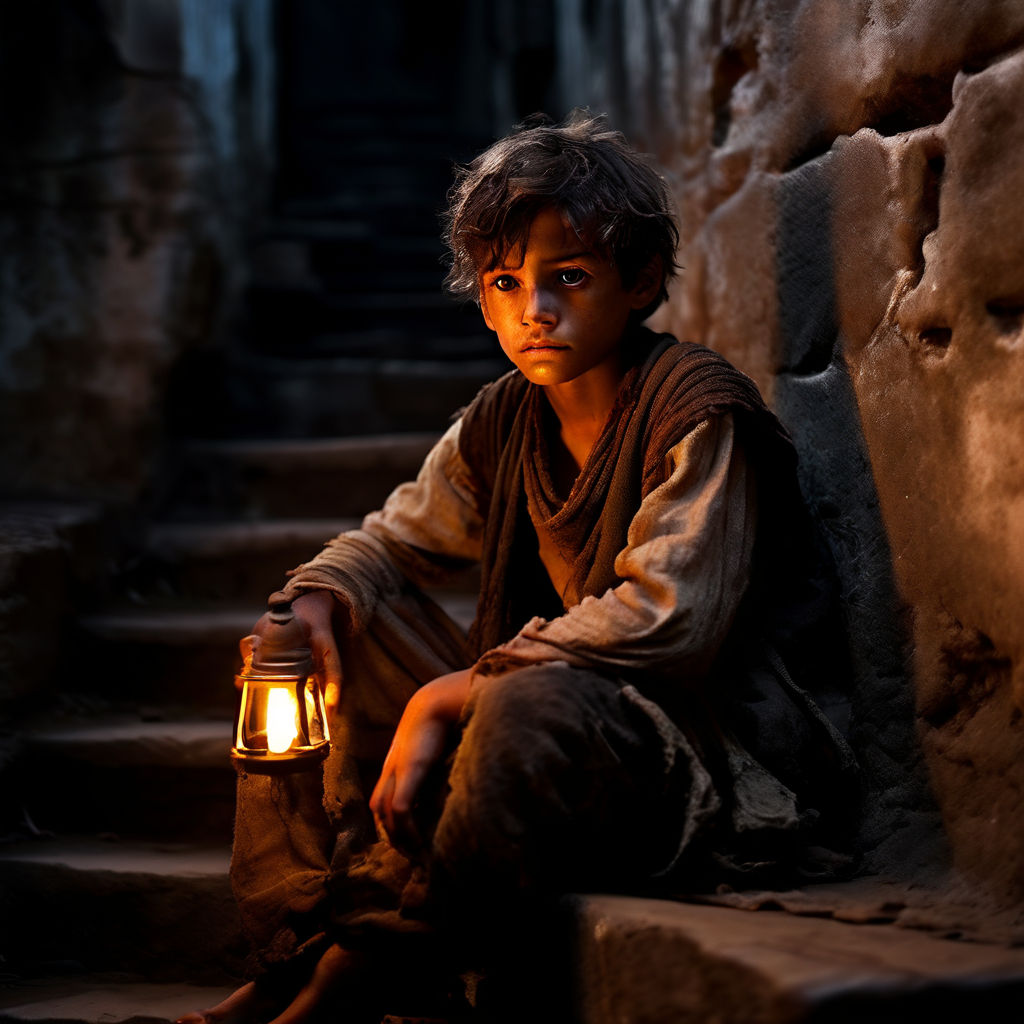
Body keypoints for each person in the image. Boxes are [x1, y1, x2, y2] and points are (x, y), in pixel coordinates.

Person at [180, 111, 856, 1024]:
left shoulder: (698, 411)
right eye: (506, 283)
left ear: (640, 281)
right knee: (294, 643)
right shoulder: (503, 419)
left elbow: (671, 619)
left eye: (568, 277)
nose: (535, 310)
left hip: (705, 749)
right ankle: (294, 950)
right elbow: (392, 541)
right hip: (555, 710)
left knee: (516, 702)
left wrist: (446, 695)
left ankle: (362, 971)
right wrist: (314, 596)